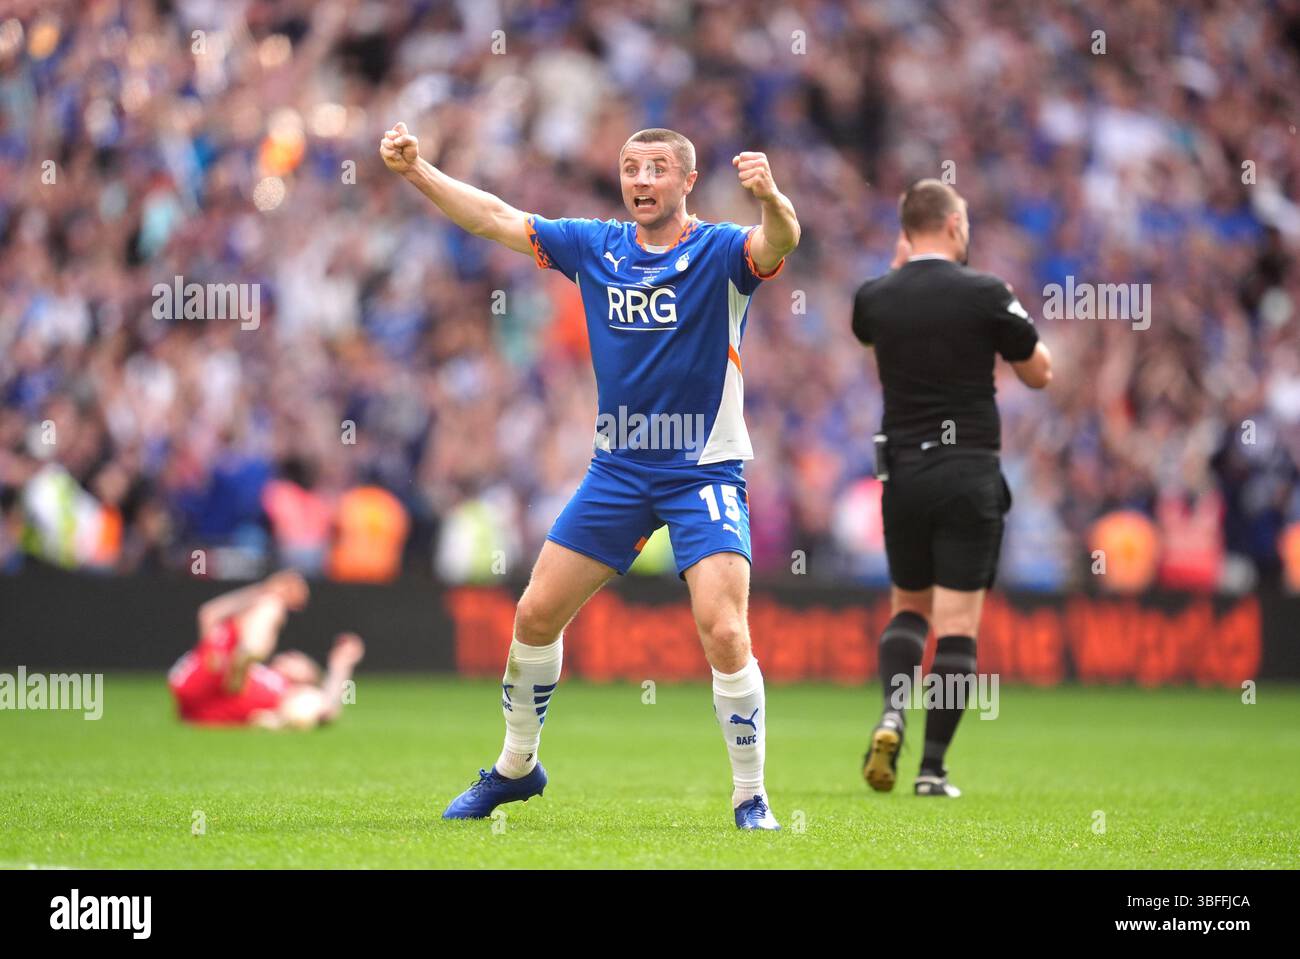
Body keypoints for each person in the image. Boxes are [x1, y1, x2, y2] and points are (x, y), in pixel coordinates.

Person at [380, 122, 800, 829]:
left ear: (687, 182)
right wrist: (420, 170)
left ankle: (750, 794)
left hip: (703, 471)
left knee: (724, 629)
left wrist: (772, 198)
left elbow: (780, 241)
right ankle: (517, 766)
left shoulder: (722, 250)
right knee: (535, 614)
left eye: (657, 168)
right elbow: (494, 217)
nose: (641, 180)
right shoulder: (595, 245)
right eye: (631, 167)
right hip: (620, 470)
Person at [851, 179, 1052, 797]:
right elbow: (1040, 373)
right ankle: (932, 770)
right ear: (957, 226)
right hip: (968, 472)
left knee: (908, 609)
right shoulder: (988, 293)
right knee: (958, 625)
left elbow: (871, 346)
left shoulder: (875, 296)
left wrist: (894, 272)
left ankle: (891, 713)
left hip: (904, 474)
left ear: (906, 232)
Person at [167, 570, 365, 730]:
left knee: (271, 606)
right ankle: (245, 655)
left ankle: (245, 656)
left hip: (209, 699)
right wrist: (265, 589)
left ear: (306, 679)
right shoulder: (266, 676)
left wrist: (342, 666)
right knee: (268, 606)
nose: (292, 656)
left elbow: (330, 710)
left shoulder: (283, 692)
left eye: (299, 661)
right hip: (210, 676)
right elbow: (208, 613)